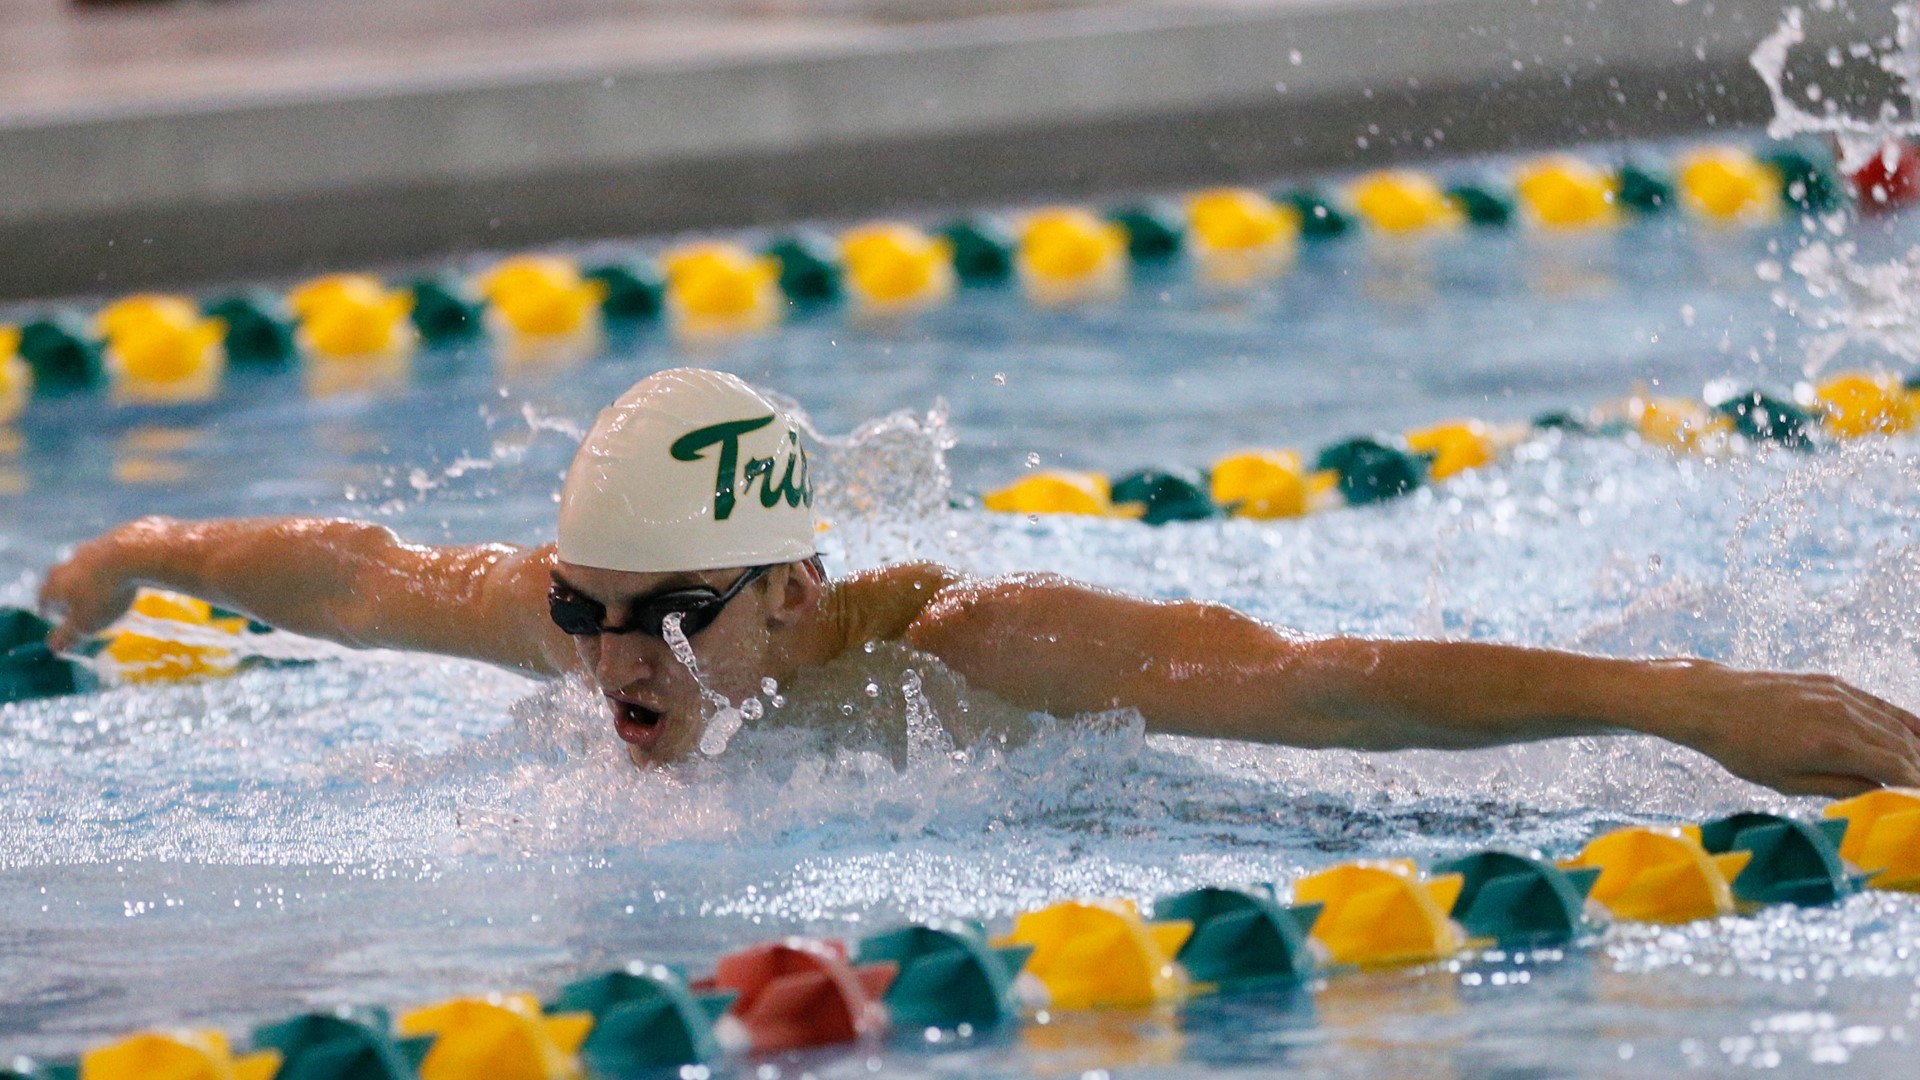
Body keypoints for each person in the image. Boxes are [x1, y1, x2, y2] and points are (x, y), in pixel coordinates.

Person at [36, 368, 1920, 795]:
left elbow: (1320, 682)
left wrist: (1687, 700)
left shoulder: (979, 648)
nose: (611, 655)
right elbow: (342, 575)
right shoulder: (576, 611)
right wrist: (125, 558)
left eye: (669, 616)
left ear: (791, 590)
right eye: (584, 604)